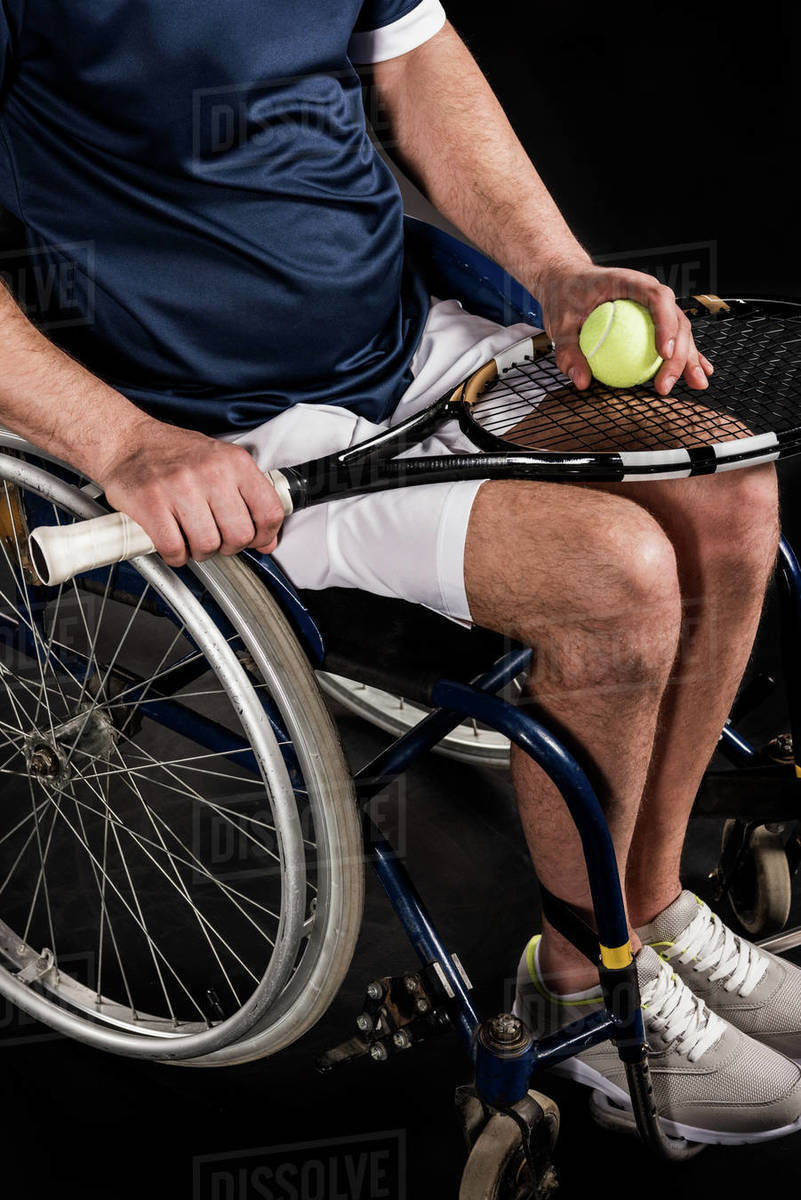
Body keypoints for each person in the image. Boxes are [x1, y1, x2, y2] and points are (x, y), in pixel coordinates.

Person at [1, 1, 799, 1144]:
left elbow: (416, 58)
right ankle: (584, 986)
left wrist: (557, 269)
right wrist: (119, 442)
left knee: (730, 493)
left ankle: (650, 906)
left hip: (410, 344)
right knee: (617, 577)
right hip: (227, 438)